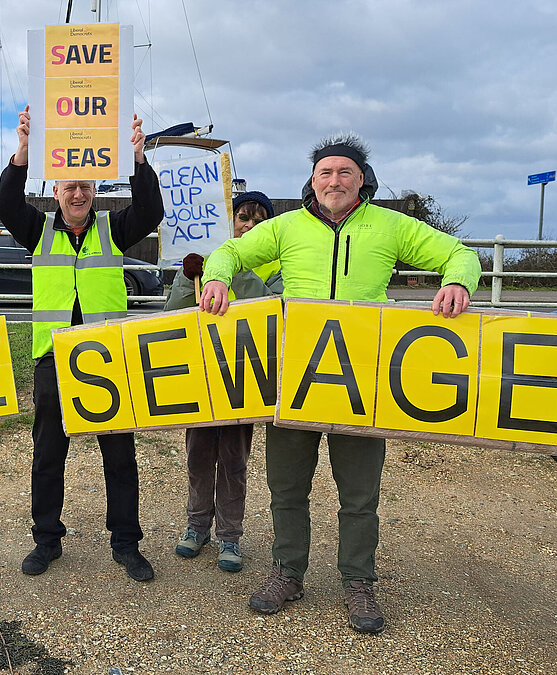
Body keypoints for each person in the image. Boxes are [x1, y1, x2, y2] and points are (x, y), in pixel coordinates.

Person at [199, 134, 481, 633]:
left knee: (359, 494)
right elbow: (229, 253)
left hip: (363, 387)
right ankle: (288, 573)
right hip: (295, 382)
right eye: (325, 173)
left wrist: (457, 281)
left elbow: (459, 254)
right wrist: (217, 277)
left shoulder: (391, 226)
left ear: (361, 181)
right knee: (286, 488)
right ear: (312, 180)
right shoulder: (285, 228)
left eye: (344, 173)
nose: (334, 180)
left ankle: (359, 581)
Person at [0, 106, 165, 582]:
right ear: (55, 191)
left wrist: (137, 159)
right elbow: (7, 205)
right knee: (49, 452)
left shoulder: (115, 229)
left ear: (95, 192)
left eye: (85, 186)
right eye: (68, 185)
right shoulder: (38, 231)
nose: (76, 193)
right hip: (53, 359)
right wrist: (23, 154)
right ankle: (46, 539)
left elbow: (151, 211)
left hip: (108, 356)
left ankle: (126, 543)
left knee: (119, 454)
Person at [165, 191, 282, 572]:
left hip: (245, 380)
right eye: (243, 218)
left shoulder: (277, 267)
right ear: (229, 222)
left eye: (258, 221)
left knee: (233, 460)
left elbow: (275, 309)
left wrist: (234, 267)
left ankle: (230, 536)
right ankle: (196, 525)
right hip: (202, 375)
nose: (249, 226)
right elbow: (171, 315)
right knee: (198, 457)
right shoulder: (202, 262)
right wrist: (189, 278)